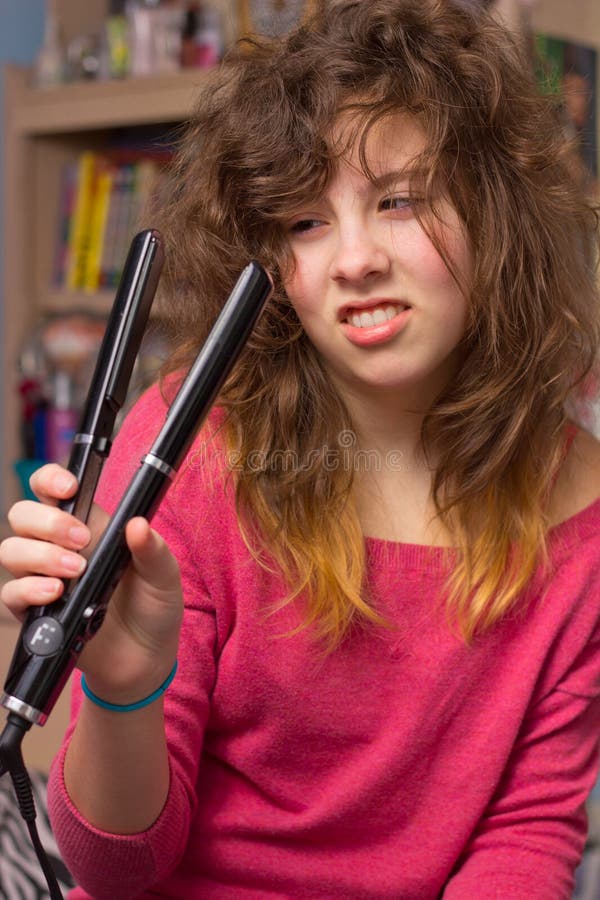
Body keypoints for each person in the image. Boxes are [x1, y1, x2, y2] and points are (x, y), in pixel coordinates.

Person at [2, 1, 600, 897]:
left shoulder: (583, 511)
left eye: (398, 200)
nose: (353, 260)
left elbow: (526, 833)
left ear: (497, 213)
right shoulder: (188, 448)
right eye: (305, 222)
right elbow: (114, 869)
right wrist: (125, 691)